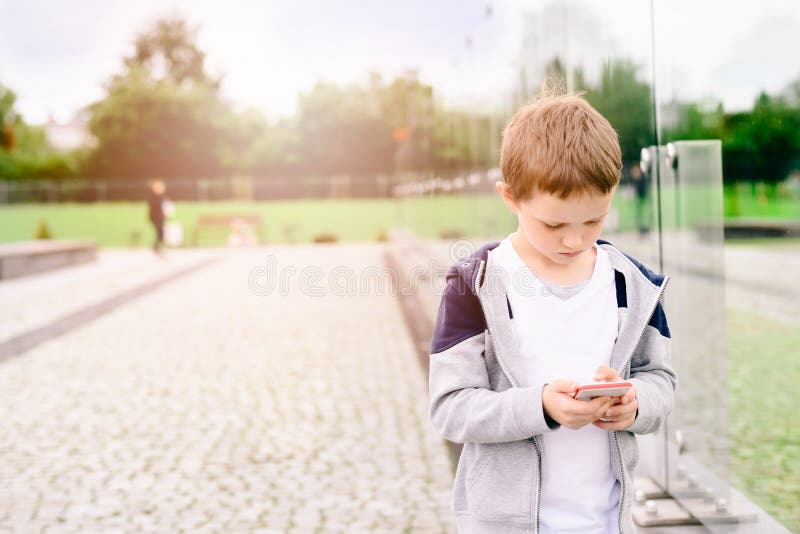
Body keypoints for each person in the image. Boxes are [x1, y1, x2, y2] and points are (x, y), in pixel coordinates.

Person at [428, 91, 677, 534]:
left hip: (607, 523)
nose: (574, 241)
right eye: (554, 224)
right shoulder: (474, 284)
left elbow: (660, 380)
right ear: (510, 198)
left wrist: (635, 405)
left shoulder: (634, 286)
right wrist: (538, 405)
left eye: (594, 221)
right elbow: (451, 408)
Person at [147, 179, 166, 254]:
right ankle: (156, 247)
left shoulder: (161, 197)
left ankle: (157, 246)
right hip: (156, 218)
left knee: (160, 233)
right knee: (159, 232)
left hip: (160, 218)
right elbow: (153, 209)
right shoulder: (153, 197)